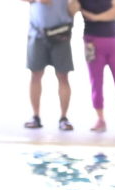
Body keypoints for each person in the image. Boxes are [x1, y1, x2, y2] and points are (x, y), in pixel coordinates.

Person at [76, 0, 115, 134]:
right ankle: (100, 119)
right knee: (95, 81)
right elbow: (72, 10)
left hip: (114, 40)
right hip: (91, 42)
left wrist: (95, 17)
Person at [25, 0, 75, 131]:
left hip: (61, 34)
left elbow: (74, 8)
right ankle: (35, 116)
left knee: (63, 75)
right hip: (37, 33)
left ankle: (64, 118)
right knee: (35, 74)